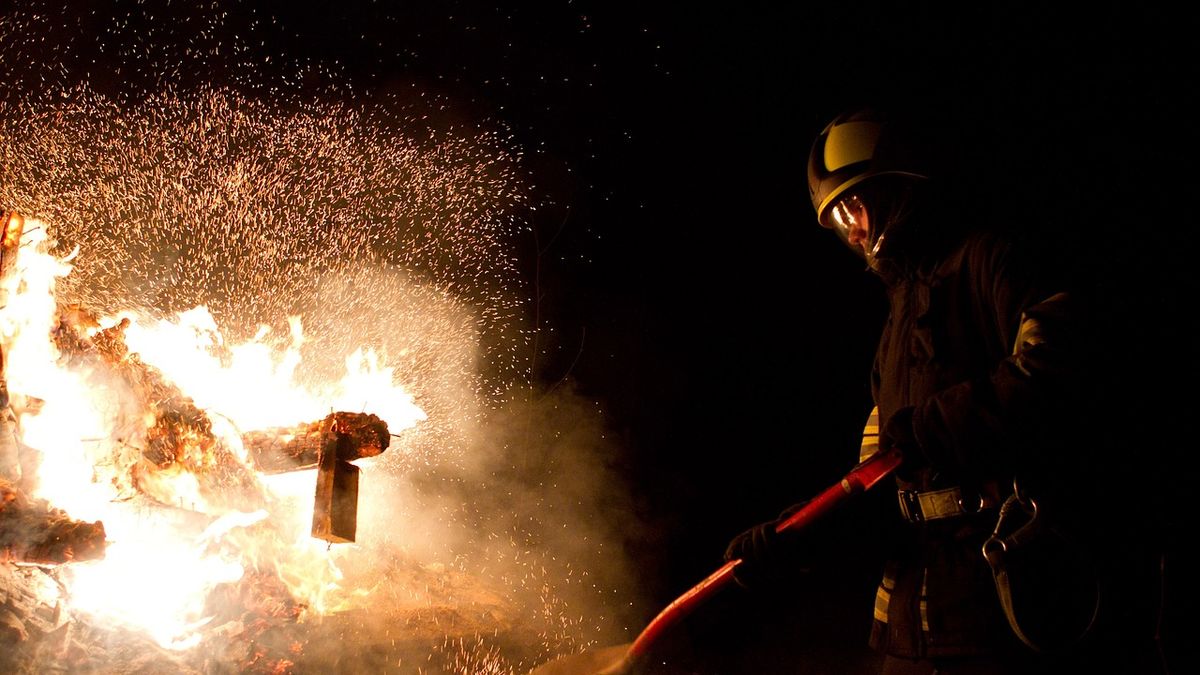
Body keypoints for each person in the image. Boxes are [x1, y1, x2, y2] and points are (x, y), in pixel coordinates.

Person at [722, 106, 1180, 675]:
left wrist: (939, 426)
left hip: (1004, 612)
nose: (854, 231)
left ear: (898, 189)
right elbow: (878, 475)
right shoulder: (897, 320)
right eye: (838, 221)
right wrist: (798, 539)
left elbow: (1061, 370)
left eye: (853, 206)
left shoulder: (995, 260)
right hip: (913, 625)